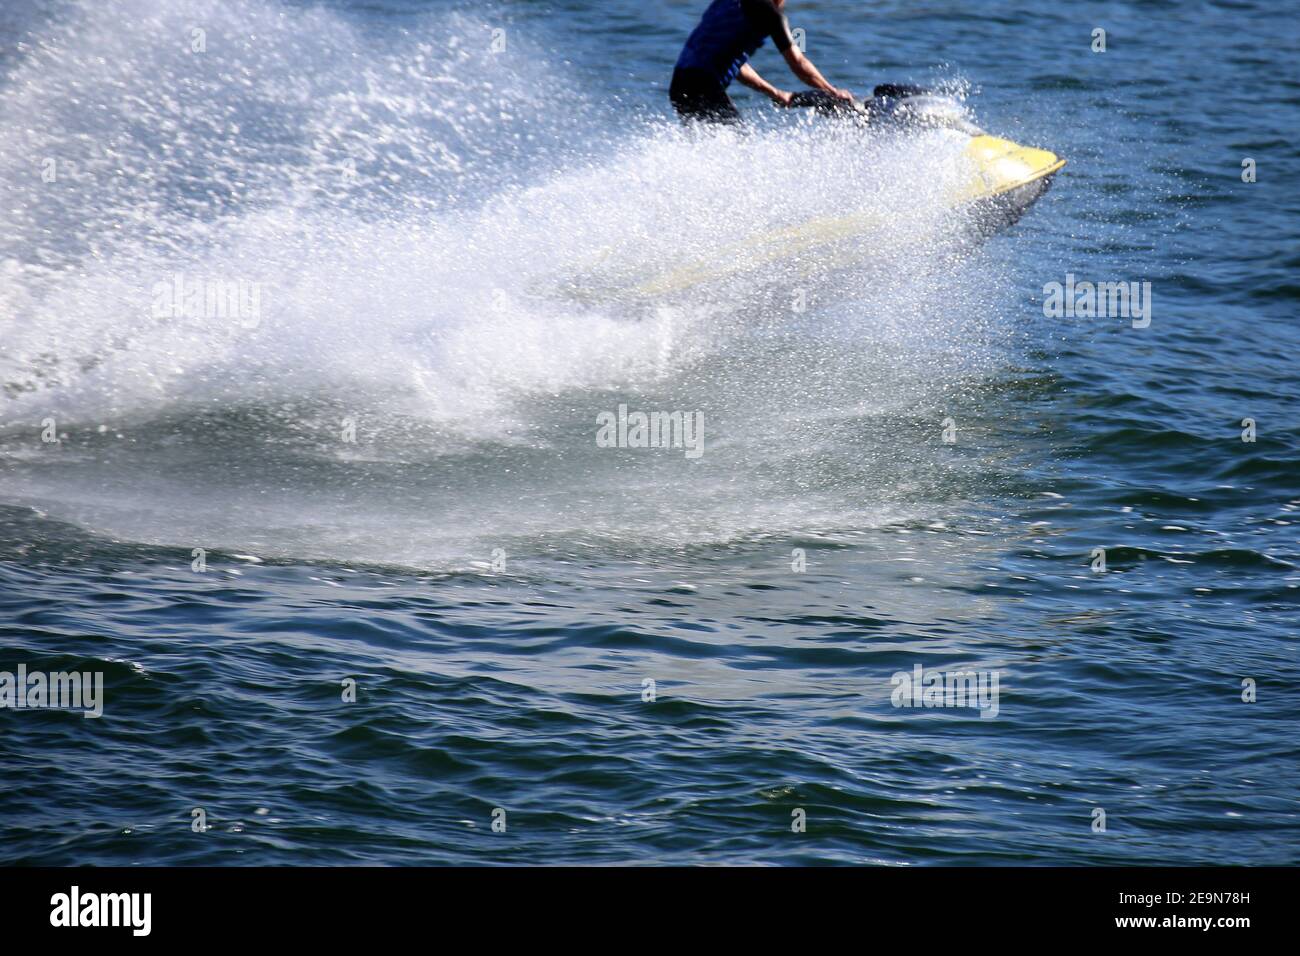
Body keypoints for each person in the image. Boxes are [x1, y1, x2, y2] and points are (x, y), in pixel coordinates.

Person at [670, 0, 853, 125]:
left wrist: (775, 93)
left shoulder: (725, 4)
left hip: (679, 87)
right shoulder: (768, 12)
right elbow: (798, 62)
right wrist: (832, 91)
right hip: (703, 87)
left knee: (712, 148)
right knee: (737, 149)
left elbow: (736, 65)